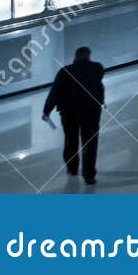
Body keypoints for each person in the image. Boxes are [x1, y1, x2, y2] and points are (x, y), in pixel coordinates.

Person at [42, 46, 105, 185]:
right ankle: (89, 176)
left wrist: (47, 110)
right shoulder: (97, 68)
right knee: (90, 143)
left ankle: (72, 168)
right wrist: (101, 102)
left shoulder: (65, 71)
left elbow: (55, 93)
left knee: (71, 141)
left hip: (70, 113)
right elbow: (99, 87)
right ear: (89, 56)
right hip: (91, 112)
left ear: (75, 57)